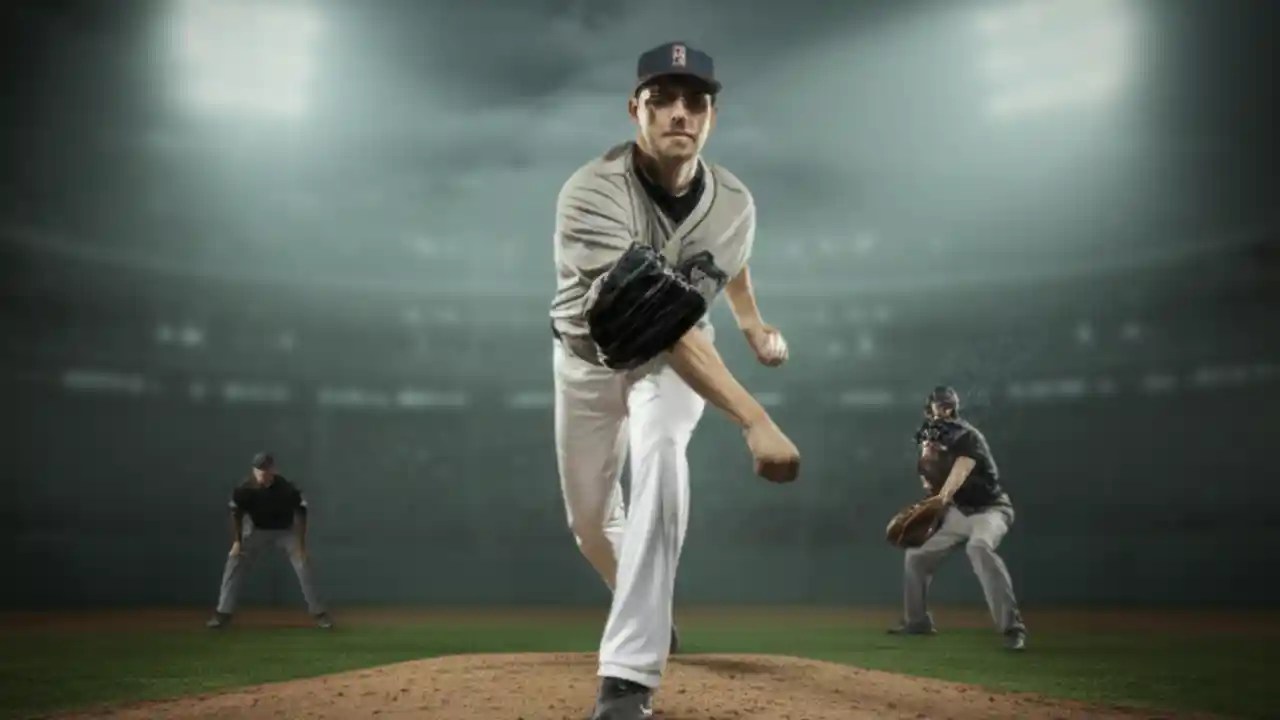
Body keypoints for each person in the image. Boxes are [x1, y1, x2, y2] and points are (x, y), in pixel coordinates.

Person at [549, 41, 801, 719]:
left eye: (697, 101)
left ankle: (628, 677)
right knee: (591, 526)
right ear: (636, 108)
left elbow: (731, 260)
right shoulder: (590, 193)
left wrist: (750, 321)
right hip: (589, 358)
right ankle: (647, 601)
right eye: (663, 98)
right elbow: (654, 317)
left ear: (712, 116)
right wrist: (756, 418)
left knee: (662, 452)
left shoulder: (736, 201)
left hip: (672, 364)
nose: (680, 112)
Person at [889, 386, 1027, 651]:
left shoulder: (967, 436)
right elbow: (929, 478)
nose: (941, 411)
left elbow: (960, 472)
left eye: (946, 406)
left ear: (953, 408)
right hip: (958, 512)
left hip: (990, 510)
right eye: (937, 406)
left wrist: (941, 499)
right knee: (916, 556)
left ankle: (1013, 628)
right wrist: (932, 494)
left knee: (978, 548)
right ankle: (917, 622)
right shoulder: (928, 442)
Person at [205, 452, 333, 629]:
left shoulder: (286, 488)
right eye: (259, 469)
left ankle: (319, 613)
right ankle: (223, 613)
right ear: (254, 470)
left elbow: (302, 513)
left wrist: (301, 545)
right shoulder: (245, 489)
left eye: (266, 469)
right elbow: (236, 514)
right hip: (257, 531)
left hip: (285, 532)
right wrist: (237, 542)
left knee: (304, 564)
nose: (262, 473)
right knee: (234, 560)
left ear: (273, 470)